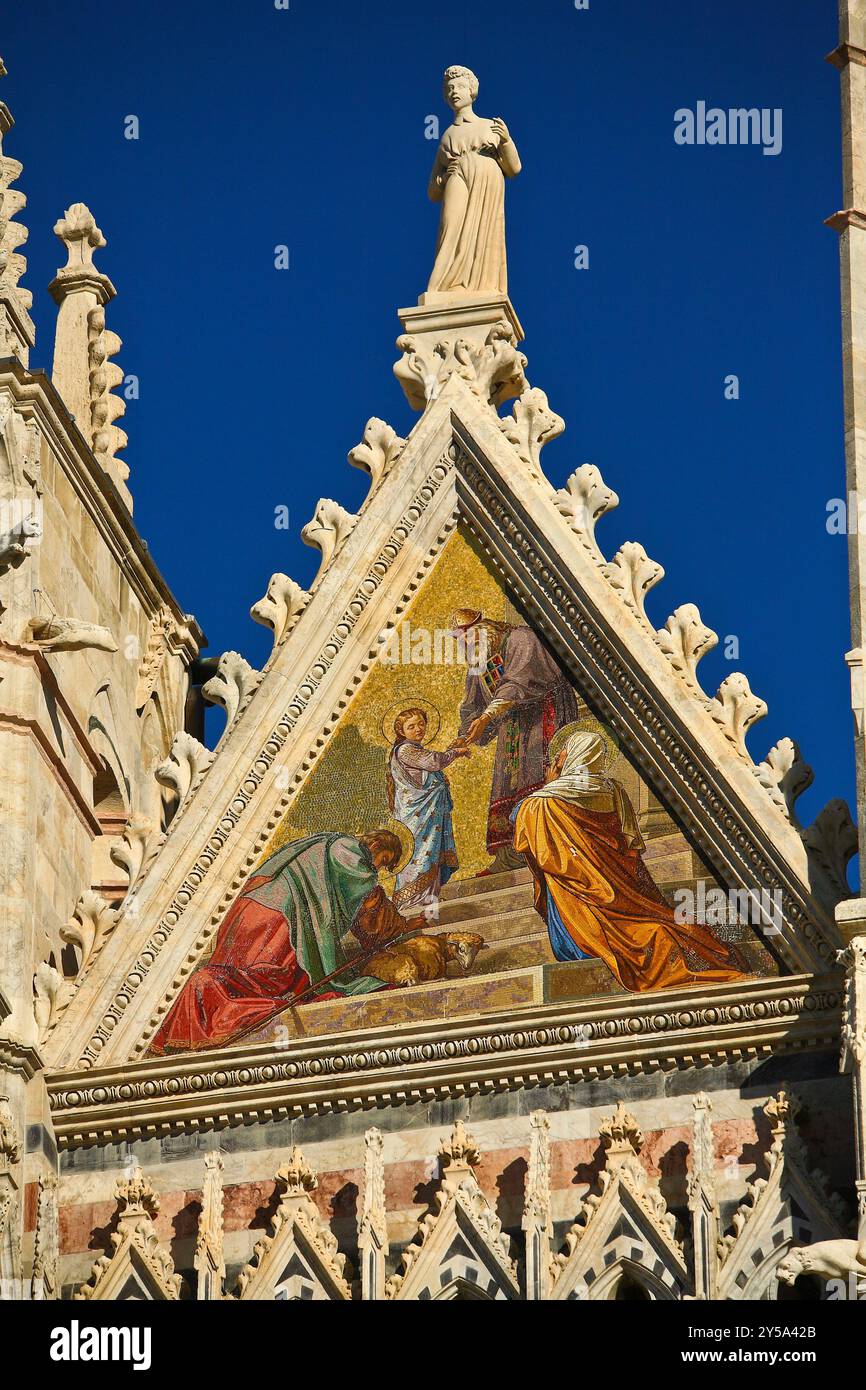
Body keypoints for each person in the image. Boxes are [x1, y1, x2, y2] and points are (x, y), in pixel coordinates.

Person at [149, 829, 424, 1054]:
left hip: (246, 909)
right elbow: (368, 901)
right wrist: (401, 926)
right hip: (276, 914)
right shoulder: (348, 851)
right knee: (268, 981)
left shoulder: (324, 841)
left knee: (237, 976)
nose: (378, 868)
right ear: (374, 843)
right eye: (383, 859)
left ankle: (208, 997)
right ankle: (217, 1006)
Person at [512, 732, 746, 992]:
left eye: (563, 751)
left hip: (579, 903)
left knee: (655, 935)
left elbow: (540, 851)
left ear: (575, 755)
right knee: (663, 931)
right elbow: (630, 855)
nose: (556, 759)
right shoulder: (614, 792)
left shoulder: (539, 805)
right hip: (618, 895)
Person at [455, 608, 578, 871]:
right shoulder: (480, 660)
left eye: (471, 638)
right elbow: (471, 704)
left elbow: (519, 683)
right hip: (511, 727)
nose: (468, 646)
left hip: (544, 714)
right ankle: (510, 855)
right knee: (508, 784)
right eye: (462, 641)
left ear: (485, 630)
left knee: (539, 774)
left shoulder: (520, 638)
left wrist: (487, 718)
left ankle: (546, 845)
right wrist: (466, 735)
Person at [427, 65, 521, 296]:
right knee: (452, 227)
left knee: (484, 234)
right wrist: (444, 177)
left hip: (487, 180)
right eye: (449, 88)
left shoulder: (490, 126)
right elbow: (432, 191)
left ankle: (480, 286)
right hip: (458, 177)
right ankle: (441, 286)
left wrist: (506, 141)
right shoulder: (448, 134)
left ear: (472, 90)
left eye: (459, 86)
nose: (453, 92)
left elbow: (515, 168)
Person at [387, 707, 468, 913]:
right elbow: (433, 762)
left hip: (427, 814)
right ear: (401, 731)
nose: (418, 729)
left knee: (430, 852)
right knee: (420, 854)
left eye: (421, 724)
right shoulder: (405, 750)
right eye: (411, 726)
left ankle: (429, 897)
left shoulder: (414, 749)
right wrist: (455, 753)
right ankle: (413, 901)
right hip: (417, 815)